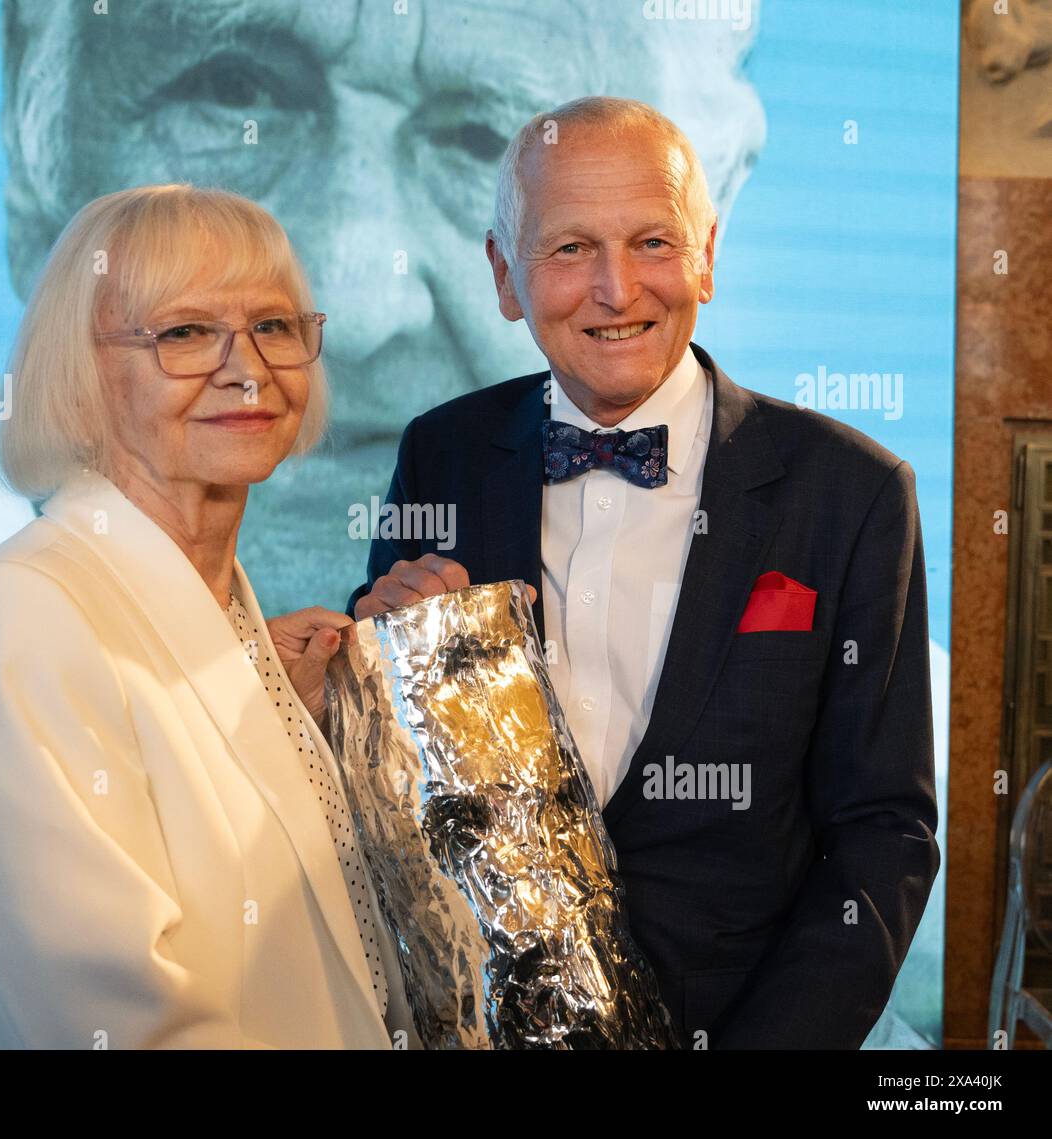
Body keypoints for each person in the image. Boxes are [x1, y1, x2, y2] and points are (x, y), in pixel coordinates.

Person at [350, 96, 940, 1049]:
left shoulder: (853, 492)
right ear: (506, 276)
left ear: (707, 252)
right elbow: (394, 787)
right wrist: (372, 660)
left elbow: (884, 835)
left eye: (653, 242)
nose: (617, 289)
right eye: (570, 248)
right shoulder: (442, 454)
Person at [0, 184, 412, 1049]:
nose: (247, 369)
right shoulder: (17, 617)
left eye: (274, 327)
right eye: (185, 333)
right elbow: (125, 1027)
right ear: (81, 371)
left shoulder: (236, 629)